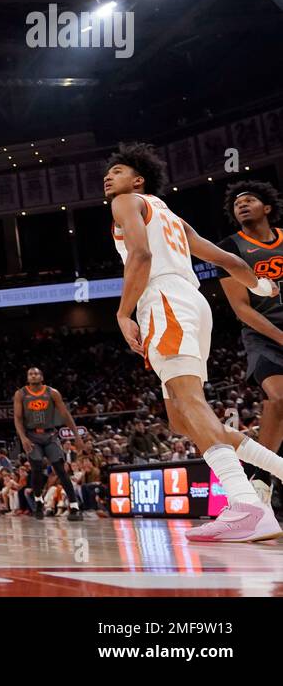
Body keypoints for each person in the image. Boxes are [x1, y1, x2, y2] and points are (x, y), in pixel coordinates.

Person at [106, 143, 283, 541]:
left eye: (117, 171)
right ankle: (278, 471)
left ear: (138, 180)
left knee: (190, 403)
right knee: (182, 417)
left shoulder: (125, 203)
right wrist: (263, 285)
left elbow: (140, 254)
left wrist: (123, 313)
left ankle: (245, 506)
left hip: (164, 301)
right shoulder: (173, 218)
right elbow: (231, 262)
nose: (108, 177)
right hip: (192, 302)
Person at [216, 181, 283, 504]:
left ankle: (261, 476)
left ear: (267, 208)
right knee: (279, 398)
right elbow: (242, 309)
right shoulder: (229, 247)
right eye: (236, 203)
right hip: (262, 335)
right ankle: (265, 476)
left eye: (250, 199)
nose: (241, 205)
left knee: (275, 406)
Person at [13, 367, 84, 521]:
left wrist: (77, 436)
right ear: (27, 378)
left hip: (50, 435)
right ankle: (38, 501)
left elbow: (65, 414)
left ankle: (74, 506)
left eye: (36, 373)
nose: (34, 375)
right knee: (37, 467)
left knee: (60, 470)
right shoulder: (21, 394)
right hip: (32, 436)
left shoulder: (52, 393)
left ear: (42, 376)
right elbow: (17, 419)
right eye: (31, 374)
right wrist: (23, 438)